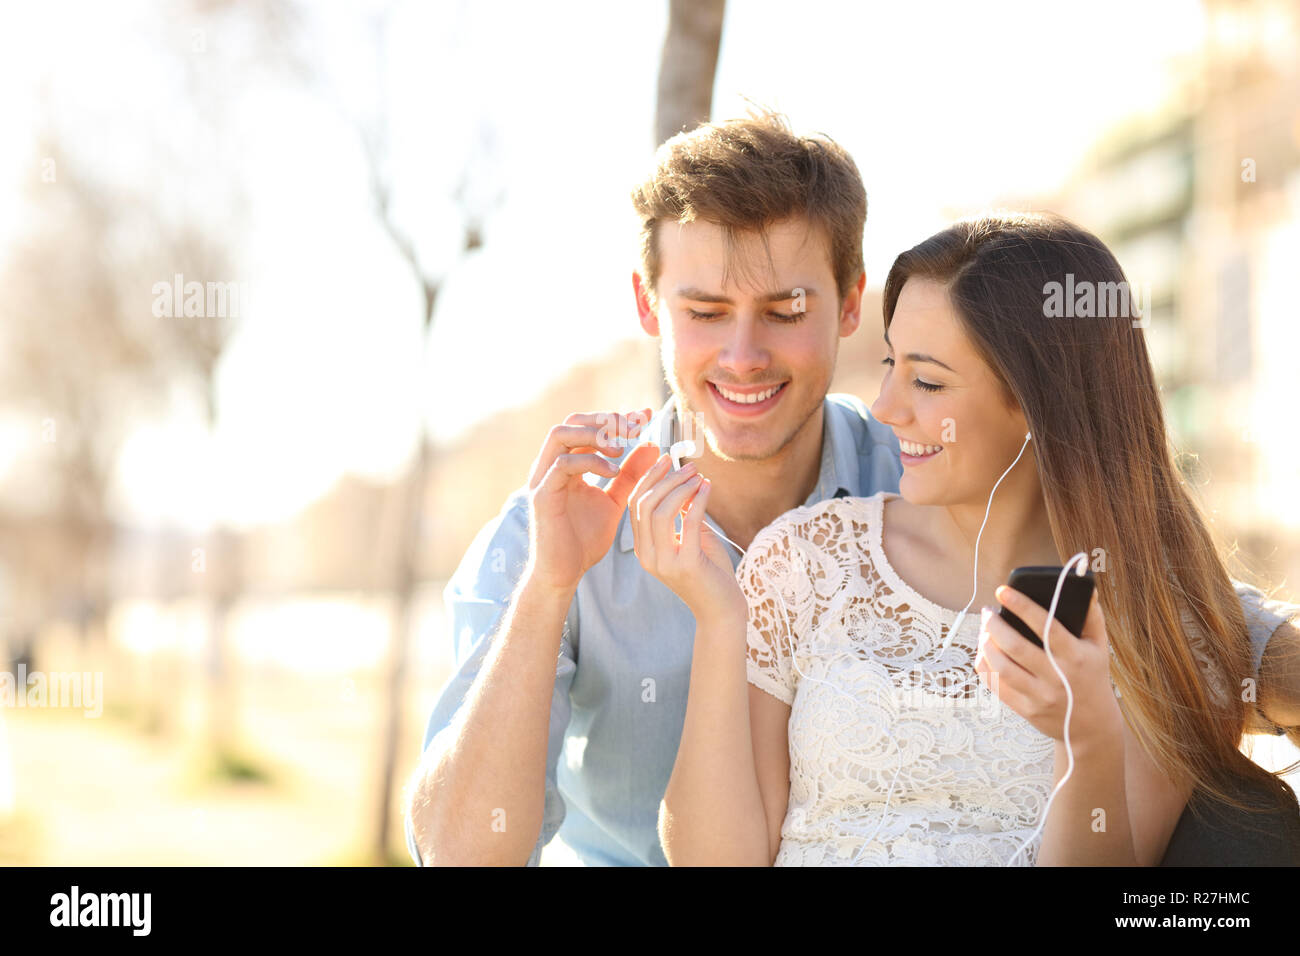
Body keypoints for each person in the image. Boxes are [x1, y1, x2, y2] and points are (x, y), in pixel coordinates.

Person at [403, 112, 1299, 866]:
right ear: (649, 308)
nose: (744, 356)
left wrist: (1240, 670)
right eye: (706, 312)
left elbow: (1188, 606)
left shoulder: (928, 465)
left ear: (847, 304)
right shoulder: (551, 532)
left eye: (786, 312)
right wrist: (552, 584)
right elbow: (459, 851)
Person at [632, 212, 1300, 865]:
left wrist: (1086, 739)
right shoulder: (804, 562)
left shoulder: (1163, 627)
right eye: (891, 363)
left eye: (926, 380)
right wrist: (723, 620)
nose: (887, 407)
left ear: (1039, 403)